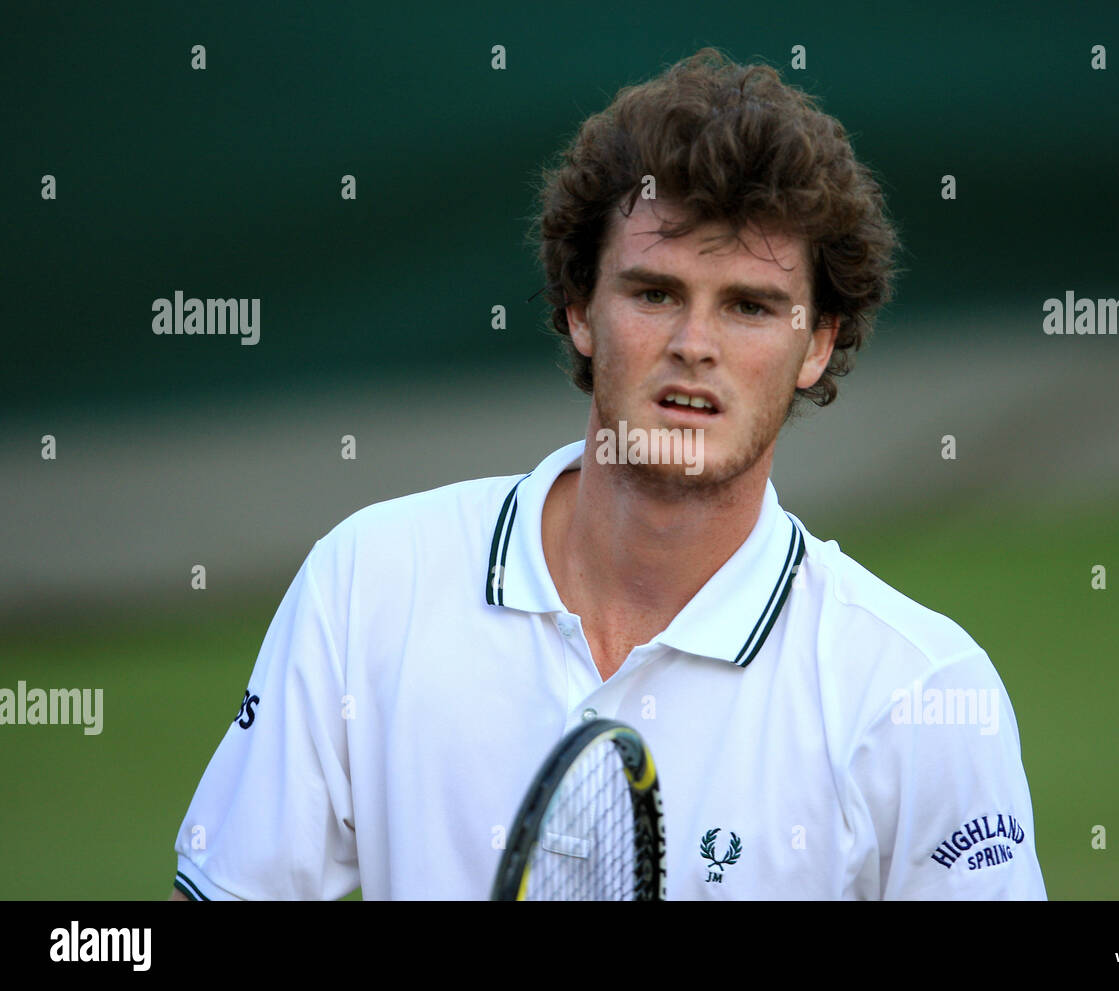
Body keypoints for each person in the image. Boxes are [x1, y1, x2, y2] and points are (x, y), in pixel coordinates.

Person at [170, 47, 1047, 900]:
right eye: (655, 292)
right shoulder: (366, 585)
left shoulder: (921, 696)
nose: (693, 346)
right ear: (579, 308)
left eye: (748, 306)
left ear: (816, 343)